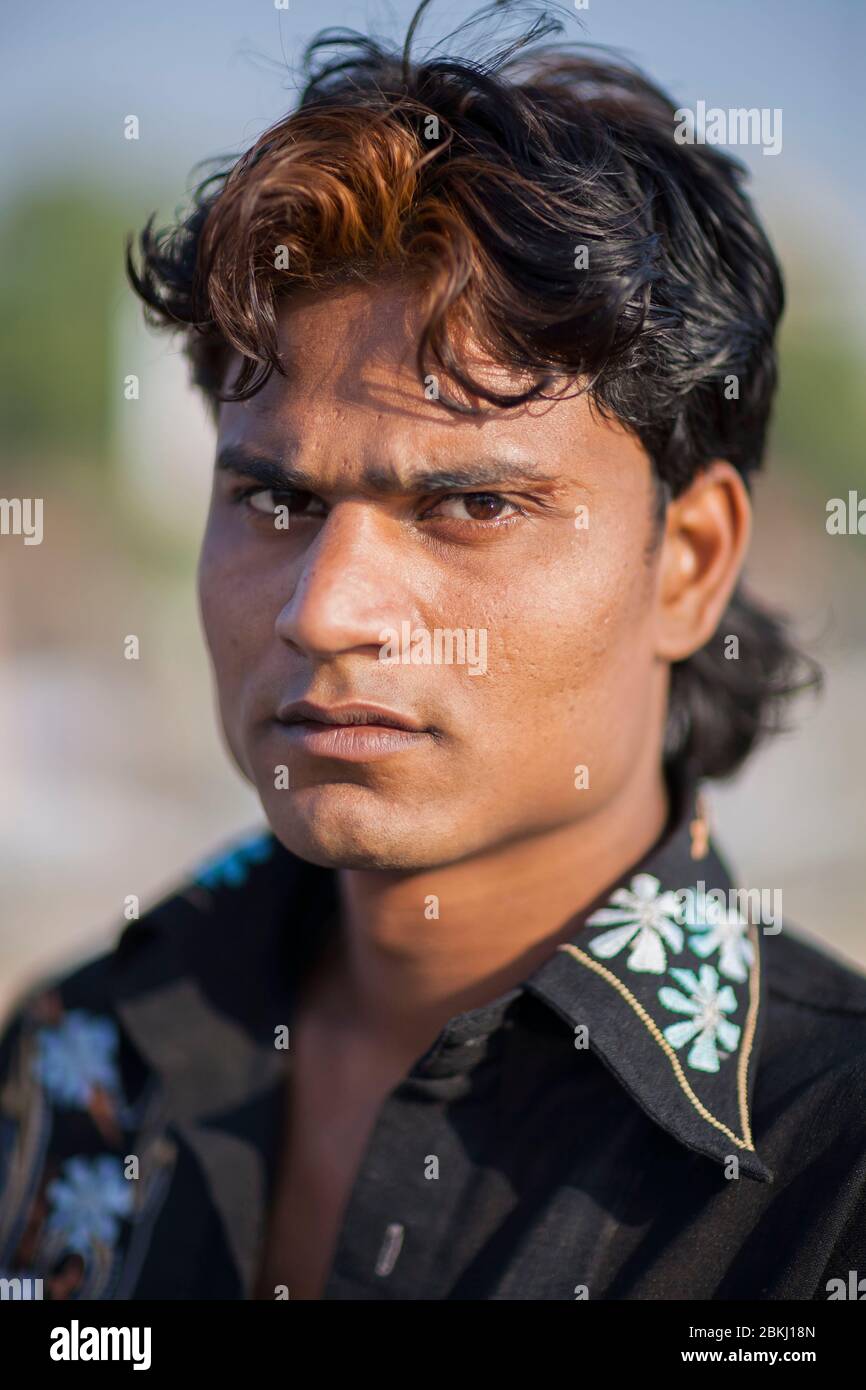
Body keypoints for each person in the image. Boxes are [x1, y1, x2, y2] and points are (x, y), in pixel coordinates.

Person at [2, 1, 864, 1301]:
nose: (325, 608)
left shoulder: (823, 1166)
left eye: (469, 503)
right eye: (276, 502)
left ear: (686, 563)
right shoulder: (82, 1047)